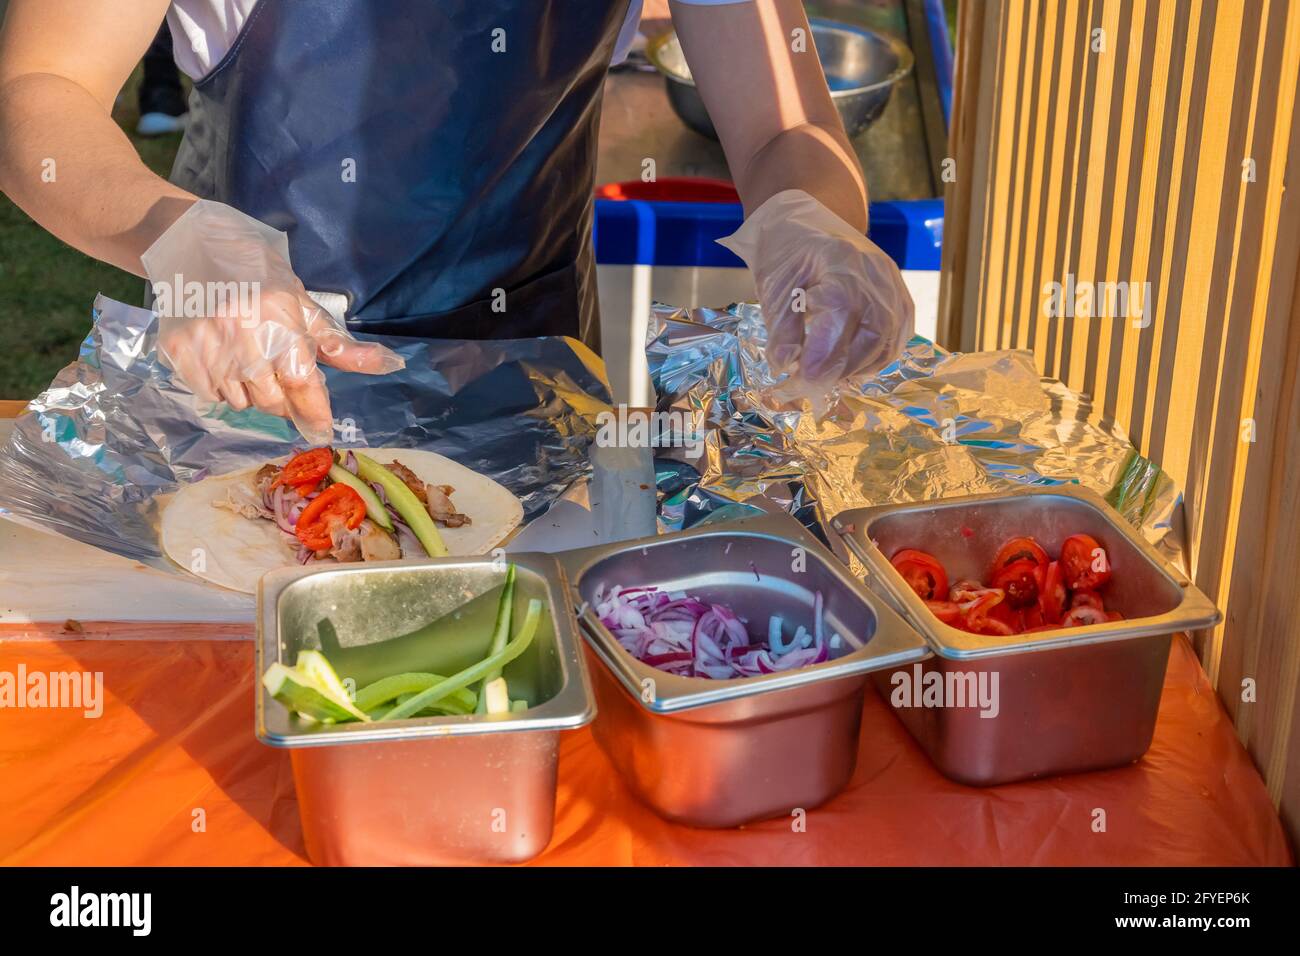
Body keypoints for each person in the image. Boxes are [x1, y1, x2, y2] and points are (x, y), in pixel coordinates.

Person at [0, 0, 912, 443]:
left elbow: (784, 122)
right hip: (254, 393)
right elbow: (37, 91)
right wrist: (179, 238)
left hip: (538, 395)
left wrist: (809, 222)